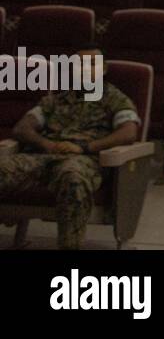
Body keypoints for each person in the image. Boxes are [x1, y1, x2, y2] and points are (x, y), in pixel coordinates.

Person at [0, 46, 140, 248]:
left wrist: (85, 147)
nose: (84, 69)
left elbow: (128, 133)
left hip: (84, 160)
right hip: (43, 156)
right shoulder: (56, 99)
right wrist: (48, 144)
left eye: (92, 64)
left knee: (72, 178)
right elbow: (22, 128)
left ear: (104, 69)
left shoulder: (115, 99)